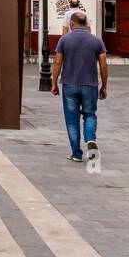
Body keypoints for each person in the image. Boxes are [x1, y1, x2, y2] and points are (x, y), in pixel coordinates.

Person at [51, 10, 108, 163]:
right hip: (90, 85)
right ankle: (90, 139)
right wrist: (104, 86)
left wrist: (54, 83)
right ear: (87, 24)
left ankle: (76, 154)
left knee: (72, 120)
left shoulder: (64, 40)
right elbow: (103, 65)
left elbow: (57, 62)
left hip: (69, 85)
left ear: (72, 23)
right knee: (90, 114)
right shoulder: (97, 41)